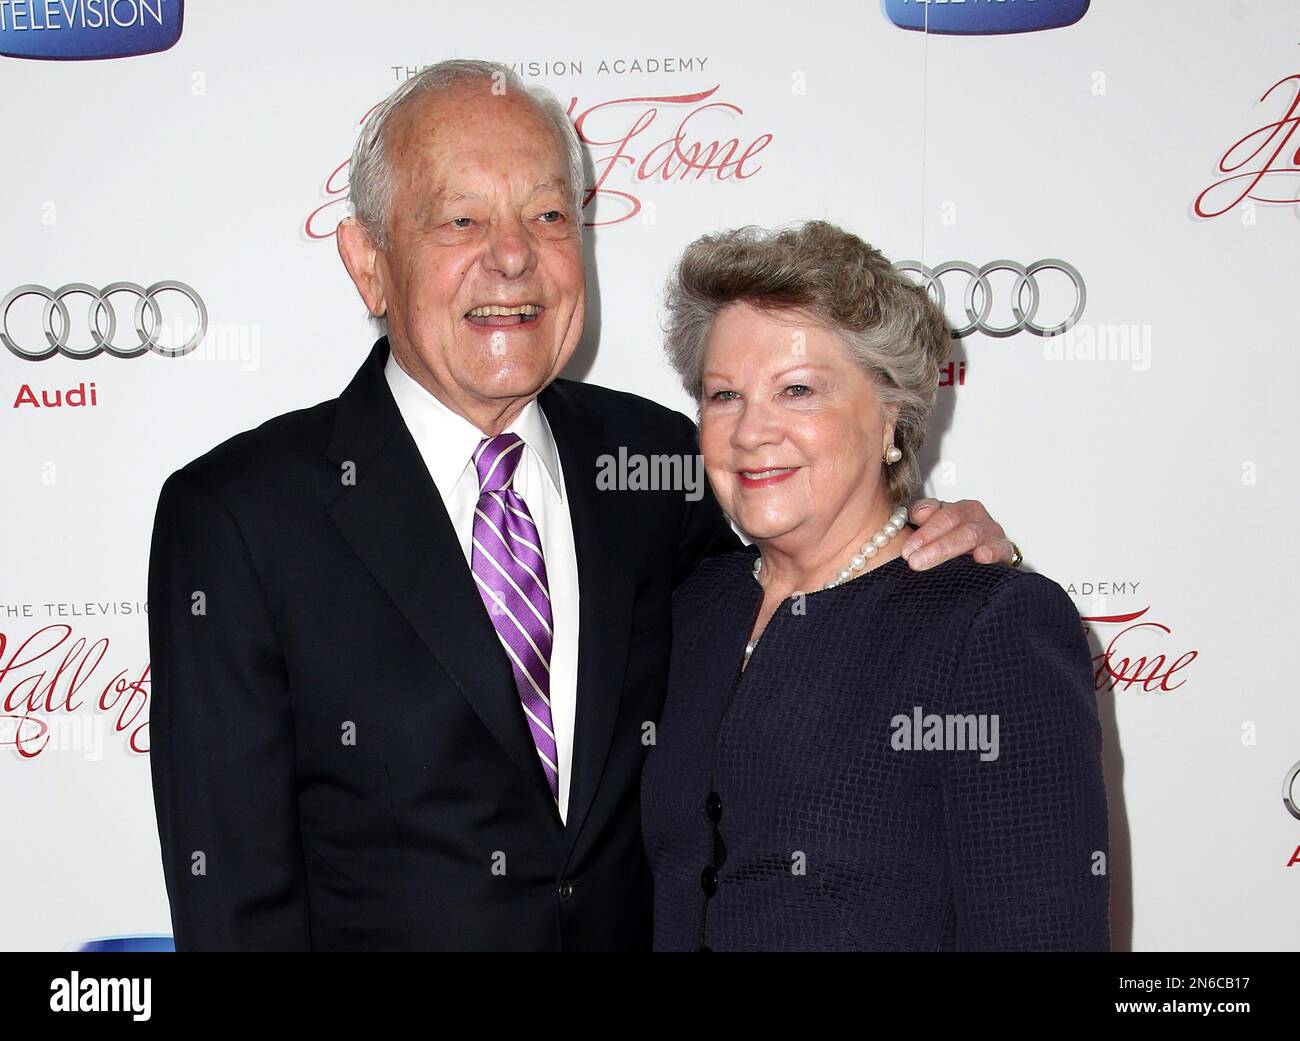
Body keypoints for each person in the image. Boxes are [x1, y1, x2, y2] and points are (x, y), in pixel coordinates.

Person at [146, 60, 1018, 951]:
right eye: (461, 218)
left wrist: (934, 536)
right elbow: (235, 912)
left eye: (549, 214)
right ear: (369, 262)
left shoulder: (662, 462)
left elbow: (819, 558)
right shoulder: (238, 519)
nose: (514, 253)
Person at [640, 221, 1109, 951]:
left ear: (892, 412)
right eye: (724, 394)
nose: (751, 430)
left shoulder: (989, 625)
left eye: (796, 390)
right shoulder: (691, 606)